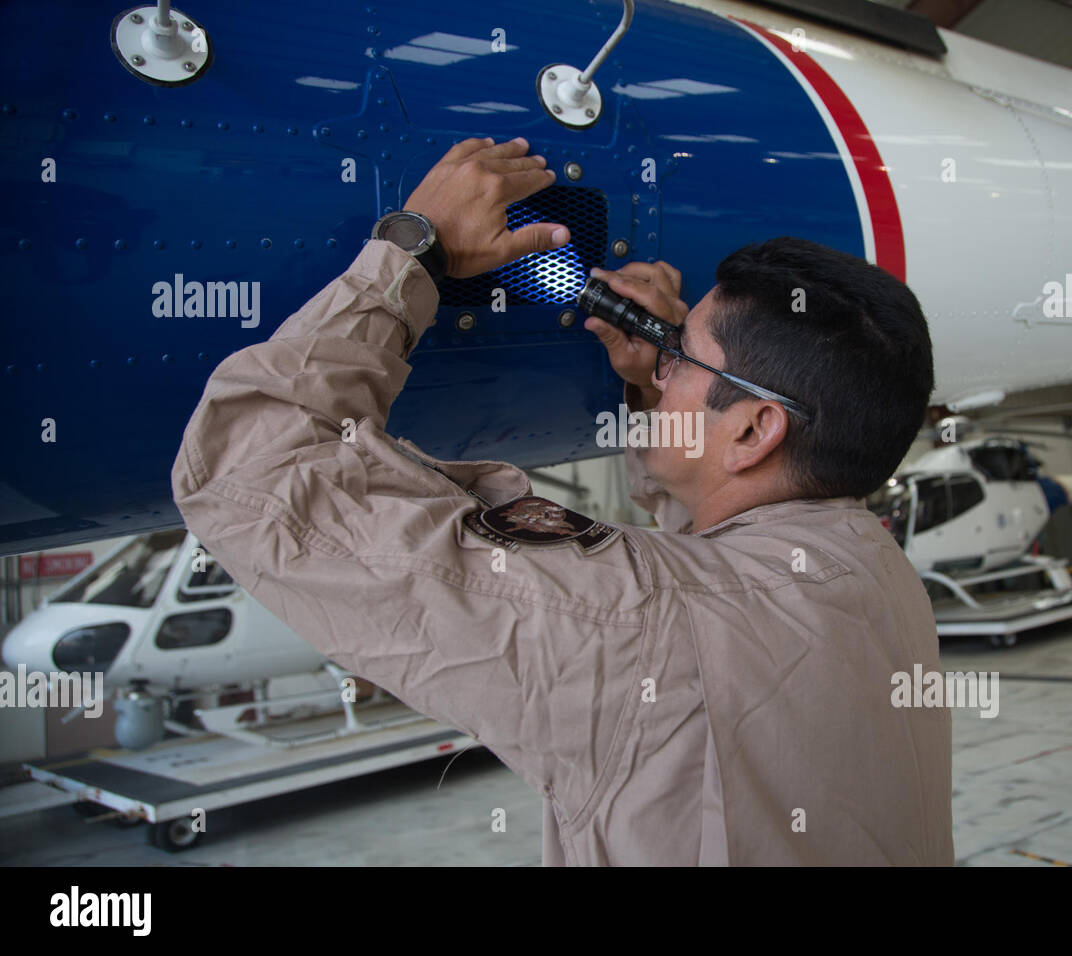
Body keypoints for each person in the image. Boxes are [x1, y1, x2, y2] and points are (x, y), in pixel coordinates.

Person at [172, 135, 953, 866]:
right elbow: (725, 580)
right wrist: (666, 390)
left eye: (682, 353)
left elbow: (253, 463)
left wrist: (413, 251)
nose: (660, 362)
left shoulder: (634, 628)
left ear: (752, 430)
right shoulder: (871, 572)